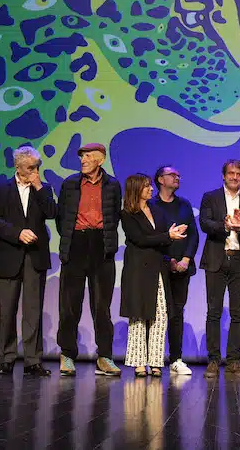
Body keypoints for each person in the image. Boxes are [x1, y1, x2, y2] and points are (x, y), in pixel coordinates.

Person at [0, 145, 57, 376]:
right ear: (18, 167)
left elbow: (52, 212)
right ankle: (7, 357)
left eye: (37, 167)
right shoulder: (1, 188)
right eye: (30, 168)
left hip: (35, 257)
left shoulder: (44, 188)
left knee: (33, 310)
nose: (34, 171)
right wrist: (17, 233)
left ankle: (32, 360)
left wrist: (38, 187)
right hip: (9, 255)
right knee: (7, 310)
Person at [56, 143, 122, 377]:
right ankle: (67, 354)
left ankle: (104, 356)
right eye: (82, 157)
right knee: (70, 304)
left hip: (101, 246)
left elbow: (114, 216)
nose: (83, 160)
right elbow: (61, 216)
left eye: (88, 156)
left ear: (100, 160)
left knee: (102, 306)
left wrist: (106, 241)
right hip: (76, 244)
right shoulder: (70, 184)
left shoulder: (112, 185)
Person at [120, 174, 187, 377]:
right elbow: (139, 239)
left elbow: (162, 238)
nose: (150, 189)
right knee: (139, 314)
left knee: (160, 315)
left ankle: (155, 361)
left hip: (158, 268)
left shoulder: (157, 211)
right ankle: (138, 361)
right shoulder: (127, 214)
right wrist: (167, 236)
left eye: (150, 186)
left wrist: (173, 234)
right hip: (138, 270)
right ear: (136, 189)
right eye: (146, 186)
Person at [199, 159, 240, 379]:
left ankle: (233, 361)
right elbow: (204, 223)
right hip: (217, 258)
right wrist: (225, 226)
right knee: (213, 312)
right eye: (231, 173)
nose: (234, 177)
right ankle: (213, 360)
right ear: (223, 176)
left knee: (238, 313)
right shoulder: (210, 197)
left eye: (238, 174)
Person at [148, 165, 199, 376]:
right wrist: (167, 259)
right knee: (156, 313)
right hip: (158, 266)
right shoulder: (151, 205)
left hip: (182, 268)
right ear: (160, 179)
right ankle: (154, 359)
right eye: (172, 175)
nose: (177, 177)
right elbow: (151, 238)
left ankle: (176, 358)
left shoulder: (184, 204)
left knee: (177, 313)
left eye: (178, 175)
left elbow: (193, 235)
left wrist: (185, 259)